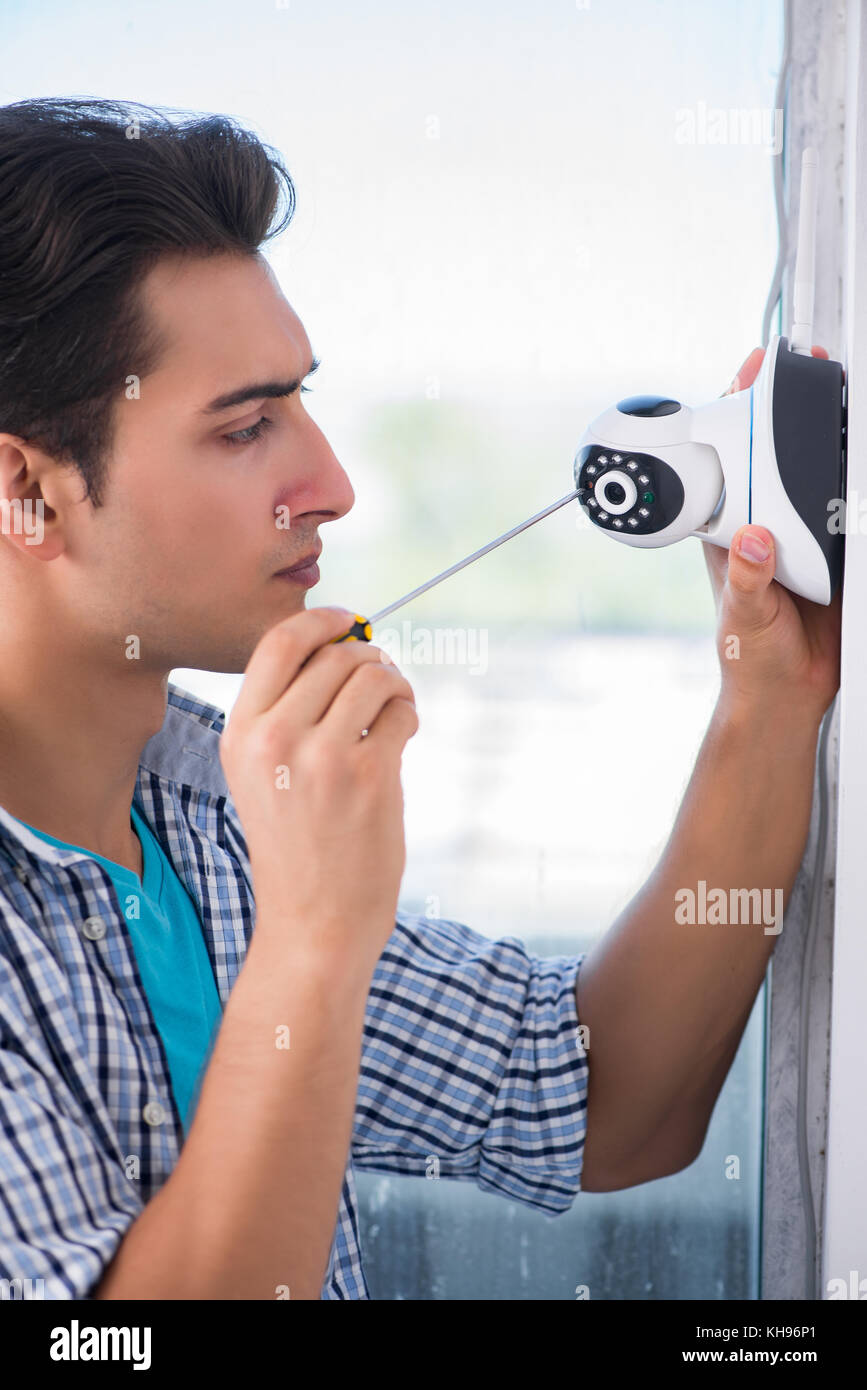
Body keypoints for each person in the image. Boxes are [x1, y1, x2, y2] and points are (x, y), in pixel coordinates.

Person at [0, 97, 840, 1301]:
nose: (331, 484)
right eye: (245, 428)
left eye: (299, 402)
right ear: (25, 490)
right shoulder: (283, 859)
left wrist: (772, 695)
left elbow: (603, 1102)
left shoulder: (216, 813)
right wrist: (314, 934)